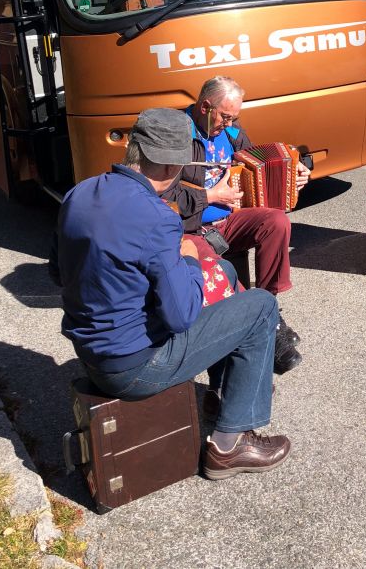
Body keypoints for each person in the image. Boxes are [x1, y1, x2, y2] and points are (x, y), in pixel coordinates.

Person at [50, 107, 291, 480]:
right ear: (170, 167)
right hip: (134, 368)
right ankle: (230, 444)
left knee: (224, 270)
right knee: (260, 305)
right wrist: (190, 259)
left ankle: (223, 395)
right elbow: (182, 315)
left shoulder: (80, 193)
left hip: (92, 353)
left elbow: (57, 272)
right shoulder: (158, 216)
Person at [163, 76, 310, 374]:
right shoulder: (176, 134)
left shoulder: (231, 133)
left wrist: (295, 174)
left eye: (234, 118)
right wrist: (212, 194)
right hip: (191, 229)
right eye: (225, 117)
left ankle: (268, 306)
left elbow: (256, 164)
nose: (230, 124)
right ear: (205, 107)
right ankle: (268, 328)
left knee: (276, 222)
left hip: (230, 219)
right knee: (220, 272)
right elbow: (165, 195)